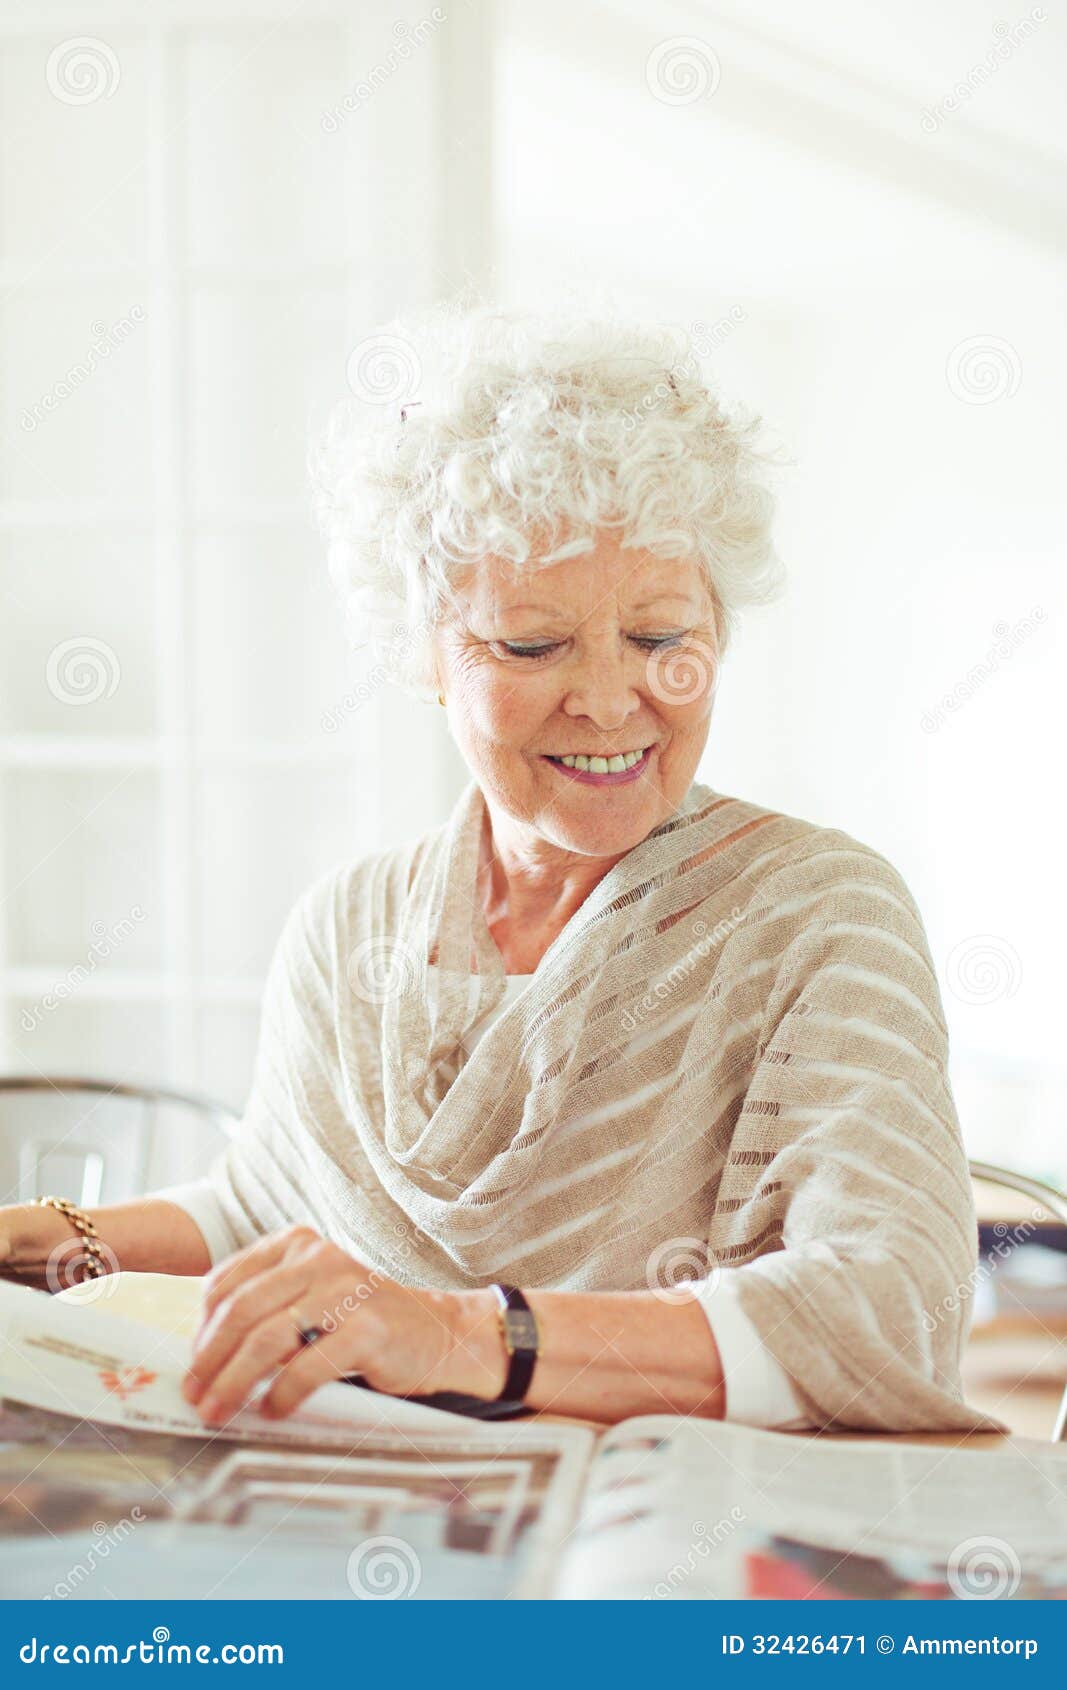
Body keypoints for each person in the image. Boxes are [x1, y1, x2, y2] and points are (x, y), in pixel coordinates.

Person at [0, 307, 994, 1436]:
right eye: (532, 645)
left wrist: (464, 1335)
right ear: (423, 653)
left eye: (662, 634)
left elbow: (887, 1303)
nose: (613, 701)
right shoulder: (350, 923)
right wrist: (49, 1237)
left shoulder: (819, 914)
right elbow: (263, 1211)